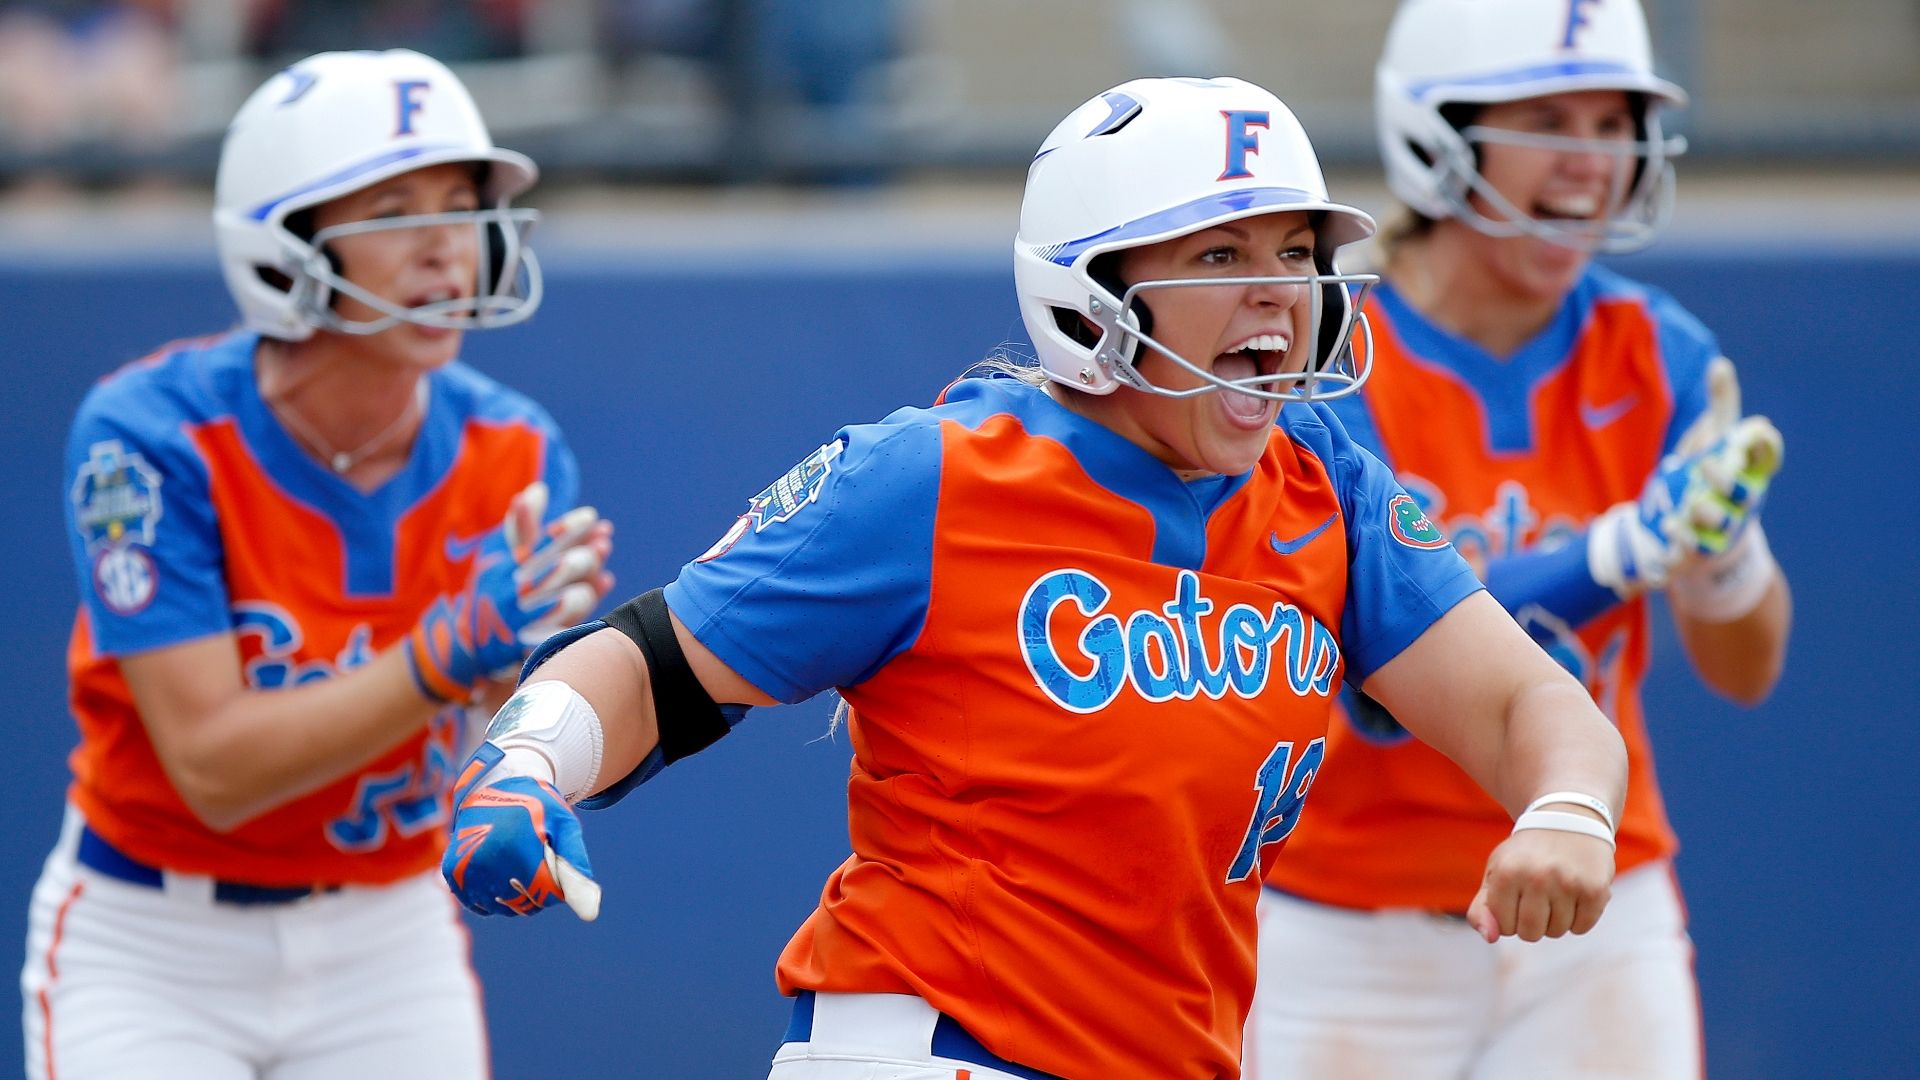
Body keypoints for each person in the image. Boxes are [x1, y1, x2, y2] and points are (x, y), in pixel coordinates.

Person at [440, 76, 1629, 1080]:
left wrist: (1568, 811)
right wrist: (526, 762)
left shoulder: (1323, 483)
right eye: (1222, 250)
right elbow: (658, 662)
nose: (1280, 290)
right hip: (932, 1047)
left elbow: (1531, 703)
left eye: (1296, 253)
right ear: (1092, 292)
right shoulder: (935, 475)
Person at [21, 49, 616, 1080]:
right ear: (285, 240)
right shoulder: (150, 435)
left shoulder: (516, 451)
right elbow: (214, 771)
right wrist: (445, 652)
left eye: (458, 203)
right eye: (393, 208)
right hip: (154, 939)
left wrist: (521, 741)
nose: (444, 245)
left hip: (388, 936)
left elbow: (477, 727)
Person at [1246, 2, 1793, 1078]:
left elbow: (1748, 668)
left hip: (1598, 891)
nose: (1590, 162)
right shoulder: (1326, 352)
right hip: (1346, 911)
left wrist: (1721, 550)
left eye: (1611, 124)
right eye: (1548, 119)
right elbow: (1375, 678)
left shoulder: (1654, 350)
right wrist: (1620, 554)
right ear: (1439, 133)